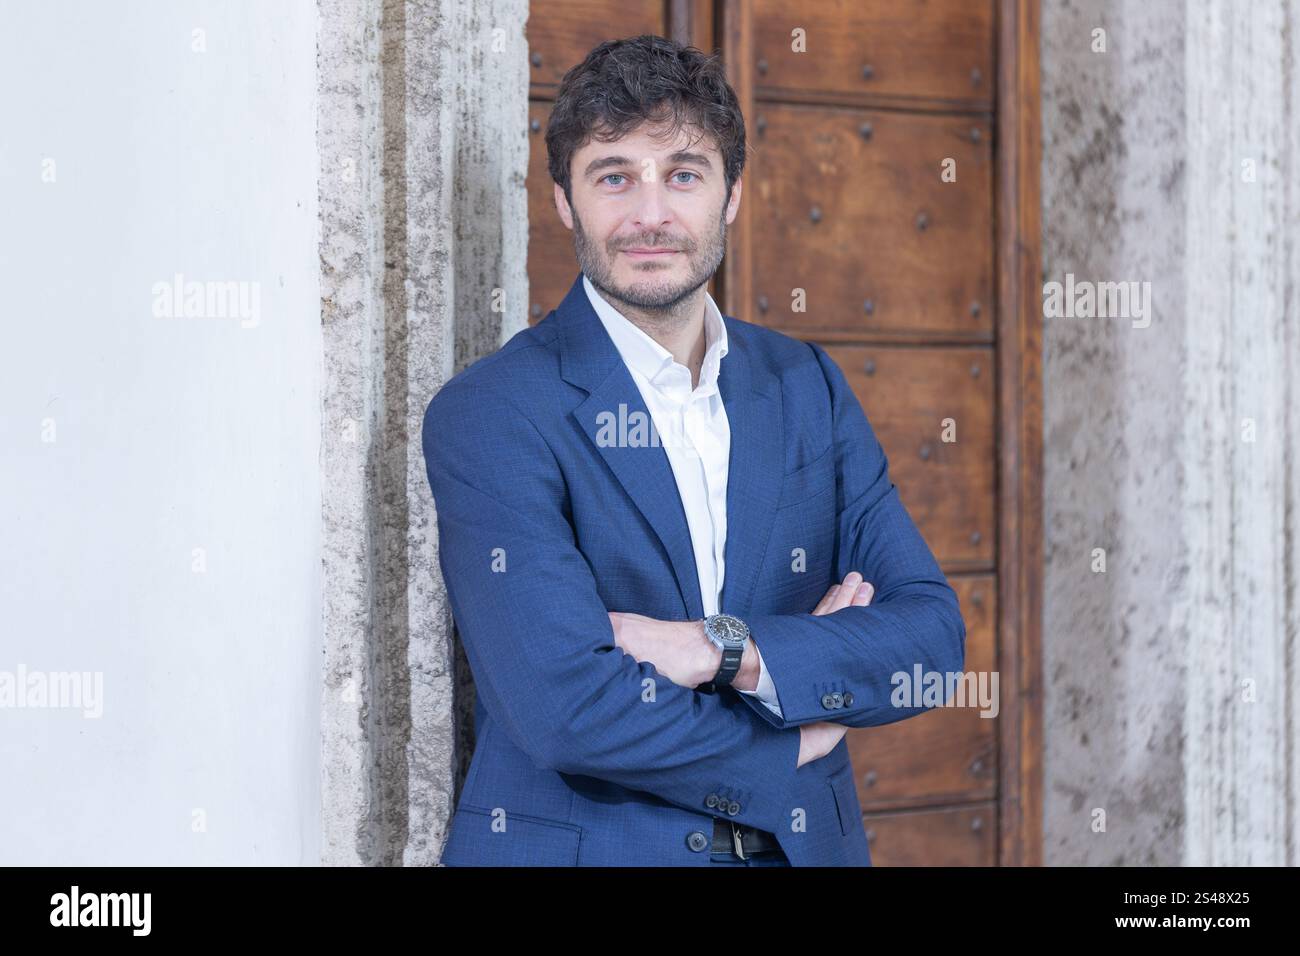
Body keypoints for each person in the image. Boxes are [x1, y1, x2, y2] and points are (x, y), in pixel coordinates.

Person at [422, 34, 965, 867]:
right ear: (565, 201)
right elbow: (564, 706)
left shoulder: (805, 384)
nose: (650, 215)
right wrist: (790, 738)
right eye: (614, 177)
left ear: (732, 194)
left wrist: (718, 649)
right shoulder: (492, 412)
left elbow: (930, 639)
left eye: (682, 174)